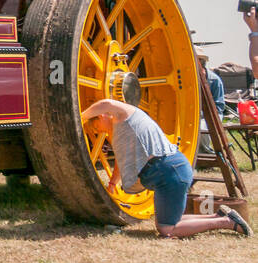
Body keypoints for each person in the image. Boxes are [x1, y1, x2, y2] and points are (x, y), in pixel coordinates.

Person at [81, 98, 251, 239]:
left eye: (96, 126)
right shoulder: (119, 133)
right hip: (167, 172)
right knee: (169, 221)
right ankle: (219, 216)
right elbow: (120, 160)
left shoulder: (124, 116)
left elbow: (107, 103)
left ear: (101, 116)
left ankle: (227, 222)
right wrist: (112, 182)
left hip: (168, 170)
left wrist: (81, 116)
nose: (98, 131)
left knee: (167, 230)